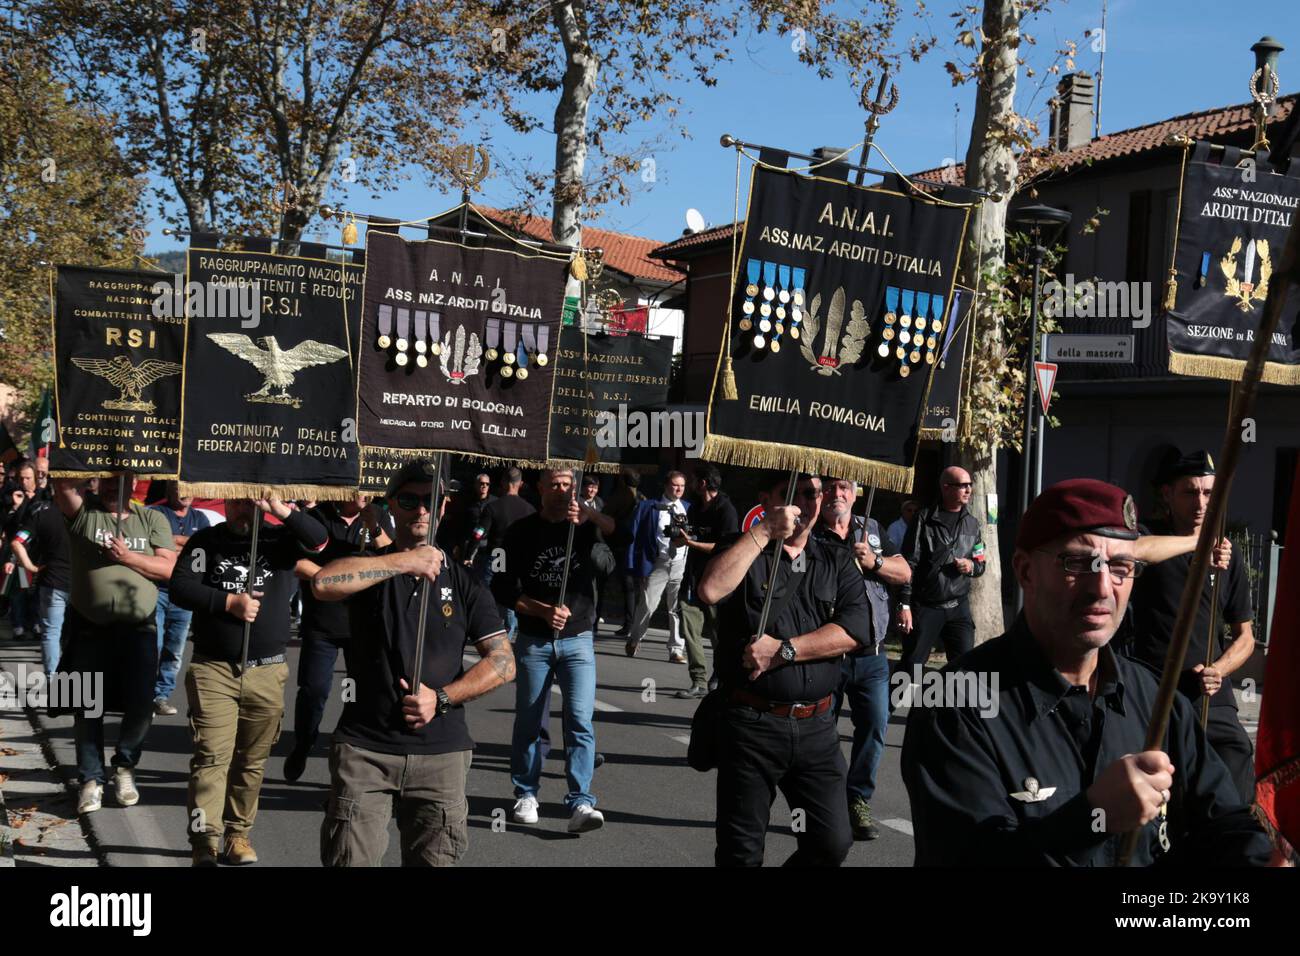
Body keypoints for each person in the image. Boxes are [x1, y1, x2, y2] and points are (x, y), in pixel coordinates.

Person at [901, 478, 1271, 866]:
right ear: (1025, 571)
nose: (1102, 588)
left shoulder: (1155, 699)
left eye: (1120, 567)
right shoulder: (956, 705)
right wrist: (1092, 819)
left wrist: (1262, 856)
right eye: (1076, 562)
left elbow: (1224, 821)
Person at [313, 461, 515, 866]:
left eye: (431, 500)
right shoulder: (371, 568)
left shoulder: (464, 581)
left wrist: (441, 698)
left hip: (441, 756)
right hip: (365, 751)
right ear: (392, 505)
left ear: (443, 508)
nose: (420, 509)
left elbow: (504, 662)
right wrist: (402, 561)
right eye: (409, 500)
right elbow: (323, 583)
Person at [697, 471, 872, 867]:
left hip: (817, 728)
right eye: (795, 494)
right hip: (751, 724)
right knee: (741, 853)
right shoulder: (740, 547)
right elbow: (710, 590)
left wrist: (784, 651)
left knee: (830, 843)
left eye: (815, 494)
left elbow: (856, 630)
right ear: (767, 498)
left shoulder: (835, 558)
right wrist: (763, 532)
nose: (808, 503)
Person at [169, 497, 327, 865]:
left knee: (252, 760)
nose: (243, 510)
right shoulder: (206, 542)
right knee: (211, 756)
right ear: (225, 501)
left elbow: (318, 540)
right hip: (214, 669)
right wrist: (228, 603)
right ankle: (204, 841)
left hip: (268, 670)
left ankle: (237, 834)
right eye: (236, 502)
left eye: (250, 503)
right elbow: (180, 587)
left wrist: (278, 507)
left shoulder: (281, 540)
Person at [1126, 449, 1257, 805]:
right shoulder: (1153, 535)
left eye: (1209, 492)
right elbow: (1135, 550)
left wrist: (1220, 670)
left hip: (1211, 697)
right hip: (1155, 692)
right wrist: (1199, 545)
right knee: (1165, 789)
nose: (1201, 502)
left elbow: (1245, 636)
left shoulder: (1230, 556)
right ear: (1167, 494)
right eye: (1190, 491)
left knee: (1235, 765)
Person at [494, 467, 615, 833]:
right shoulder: (520, 532)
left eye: (568, 485)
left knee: (579, 720)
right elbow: (501, 588)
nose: (563, 491)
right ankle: (526, 792)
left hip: (578, 640)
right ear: (541, 489)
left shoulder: (586, 525)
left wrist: (589, 524)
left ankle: (581, 801)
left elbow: (607, 564)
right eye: (555, 485)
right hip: (534, 641)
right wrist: (543, 610)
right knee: (530, 721)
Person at [52, 474, 177, 815]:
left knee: (140, 705)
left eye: (120, 481)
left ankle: (124, 767)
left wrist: (127, 558)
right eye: (106, 480)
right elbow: (63, 485)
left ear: (134, 483)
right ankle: (91, 780)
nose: (111, 487)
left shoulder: (151, 518)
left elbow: (169, 568)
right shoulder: (84, 514)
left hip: (139, 630)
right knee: (86, 706)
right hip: (88, 628)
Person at [813, 477, 911, 841]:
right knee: (821, 735)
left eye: (843, 488)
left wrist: (875, 561)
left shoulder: (870, 528)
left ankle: (858, 799)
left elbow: (904, 571)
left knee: (874, 729)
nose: (836, 495)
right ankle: (824, 801)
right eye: (829, 489)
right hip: (827, 656)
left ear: (855, 494)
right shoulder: (809, 532)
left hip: (872, 656)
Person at [284, 494, 393, 783]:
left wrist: (374, 528)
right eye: (357, 488)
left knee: (356, 694)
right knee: (314, 690)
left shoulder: (377, 518)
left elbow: (392, 558)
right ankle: (304, 742)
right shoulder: (317, 516)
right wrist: (332, 578)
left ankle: (346, 757)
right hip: (322, 623)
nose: (364, 495)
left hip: (362, 625)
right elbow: (294, 560)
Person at [895, 466, 985, 682]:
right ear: (946, 488)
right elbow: (909, 564)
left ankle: (959, 714)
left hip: (959, 607)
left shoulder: (972, 524)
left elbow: (981, 563)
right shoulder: (924, 519)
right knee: (911, 666)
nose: (968, 490)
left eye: (969, 485)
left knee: (965, 668)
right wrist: (904, 604)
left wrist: (971, 566)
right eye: (962, 485)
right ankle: (883, 713)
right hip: (926, 606)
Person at [675, 464, 739, 698]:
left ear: (703, 483)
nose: (690, 484)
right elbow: (690, 535)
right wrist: (679, 538)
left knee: (719, 634)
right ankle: (698, 681)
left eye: (693, 480)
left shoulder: (726, 509)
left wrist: (692, 543)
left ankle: (720, 675)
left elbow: (726, 548)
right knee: (689, 628)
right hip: (693, 578)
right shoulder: (694, 509)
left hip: (718, 581)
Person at [148, 482, 211, 715]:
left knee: (175, 650)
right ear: (169, 490)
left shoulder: (201, 519)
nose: (185, 493)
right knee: (152, 645)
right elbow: (153, 548)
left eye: (190, 488)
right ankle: (143, 694)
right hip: (157, 590)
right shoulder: (155, 513)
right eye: (180, 488)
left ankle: (160, 696)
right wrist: (187, 545)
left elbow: (201, 558)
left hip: (184, 595)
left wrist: (173, 542)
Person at [626, 471, 690, 662]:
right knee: (647, 605)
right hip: (657, 563)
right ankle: (635, 638)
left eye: (682, 486)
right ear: (666, 485)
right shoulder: (649, 507)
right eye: (675, 484)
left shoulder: (687, 508)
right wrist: (636, 567)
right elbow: (634, 538)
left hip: (680, 563)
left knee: (676, 608)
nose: (678, 489)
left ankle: (676, 649)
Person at [9, 498, 71, 674]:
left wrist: (29, 566)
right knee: (75, 633)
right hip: (81, 583)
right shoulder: (87, 515)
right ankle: (71, 676)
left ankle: (52, 678)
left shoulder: (42, 515)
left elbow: (17, 542)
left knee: (51, 633)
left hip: (52, 582)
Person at [475, 466, 536, 638]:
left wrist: (468, 553)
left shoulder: (493, 507)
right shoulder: (529, 510)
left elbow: (478, 533)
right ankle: (509, 629)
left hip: (498, 555)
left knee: (493, 593)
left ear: (502, 483)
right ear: (521, 484)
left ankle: (496, 629)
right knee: (513, 591)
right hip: (520, 557)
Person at [3, 460, 44, 637]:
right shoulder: (12, 494)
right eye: (22, 478)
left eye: (28, 478)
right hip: (19, 550)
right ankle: (19, 625)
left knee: (36, 590)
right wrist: (16, 506)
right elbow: (6, 522)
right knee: (20, 588)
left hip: (38, 549)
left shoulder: (44, 495)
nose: (25, 481)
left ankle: (35, 622)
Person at [603, 468, 644, 639]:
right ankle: (631, 622)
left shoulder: (619, 497)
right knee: (634, 586)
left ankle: (628, 623)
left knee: (625, 585)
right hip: (636, 546)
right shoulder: (642, 498)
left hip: (620, 544)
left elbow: (605, 516)